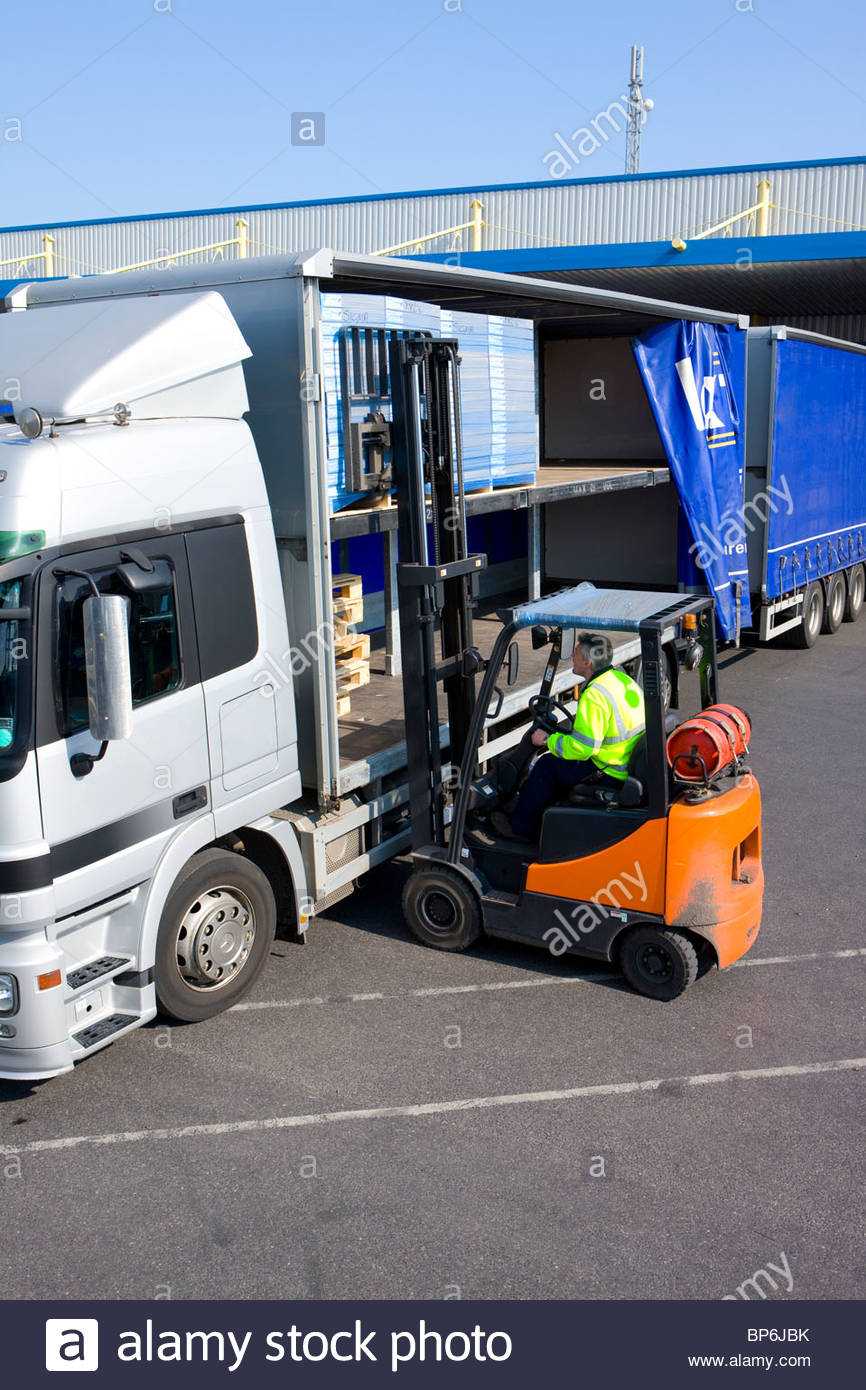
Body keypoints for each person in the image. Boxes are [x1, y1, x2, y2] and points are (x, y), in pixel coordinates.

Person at [492, 631, 646, 842]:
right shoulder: (621, 679)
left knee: (547, 765)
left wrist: (547, 741)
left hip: (608, 770)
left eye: (575, 653)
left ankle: (520, 829)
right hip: (623, 760)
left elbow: (584, 749)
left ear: (587, 662)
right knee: (557, 765)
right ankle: (540, 816)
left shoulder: (594, 695)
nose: (572, 657)